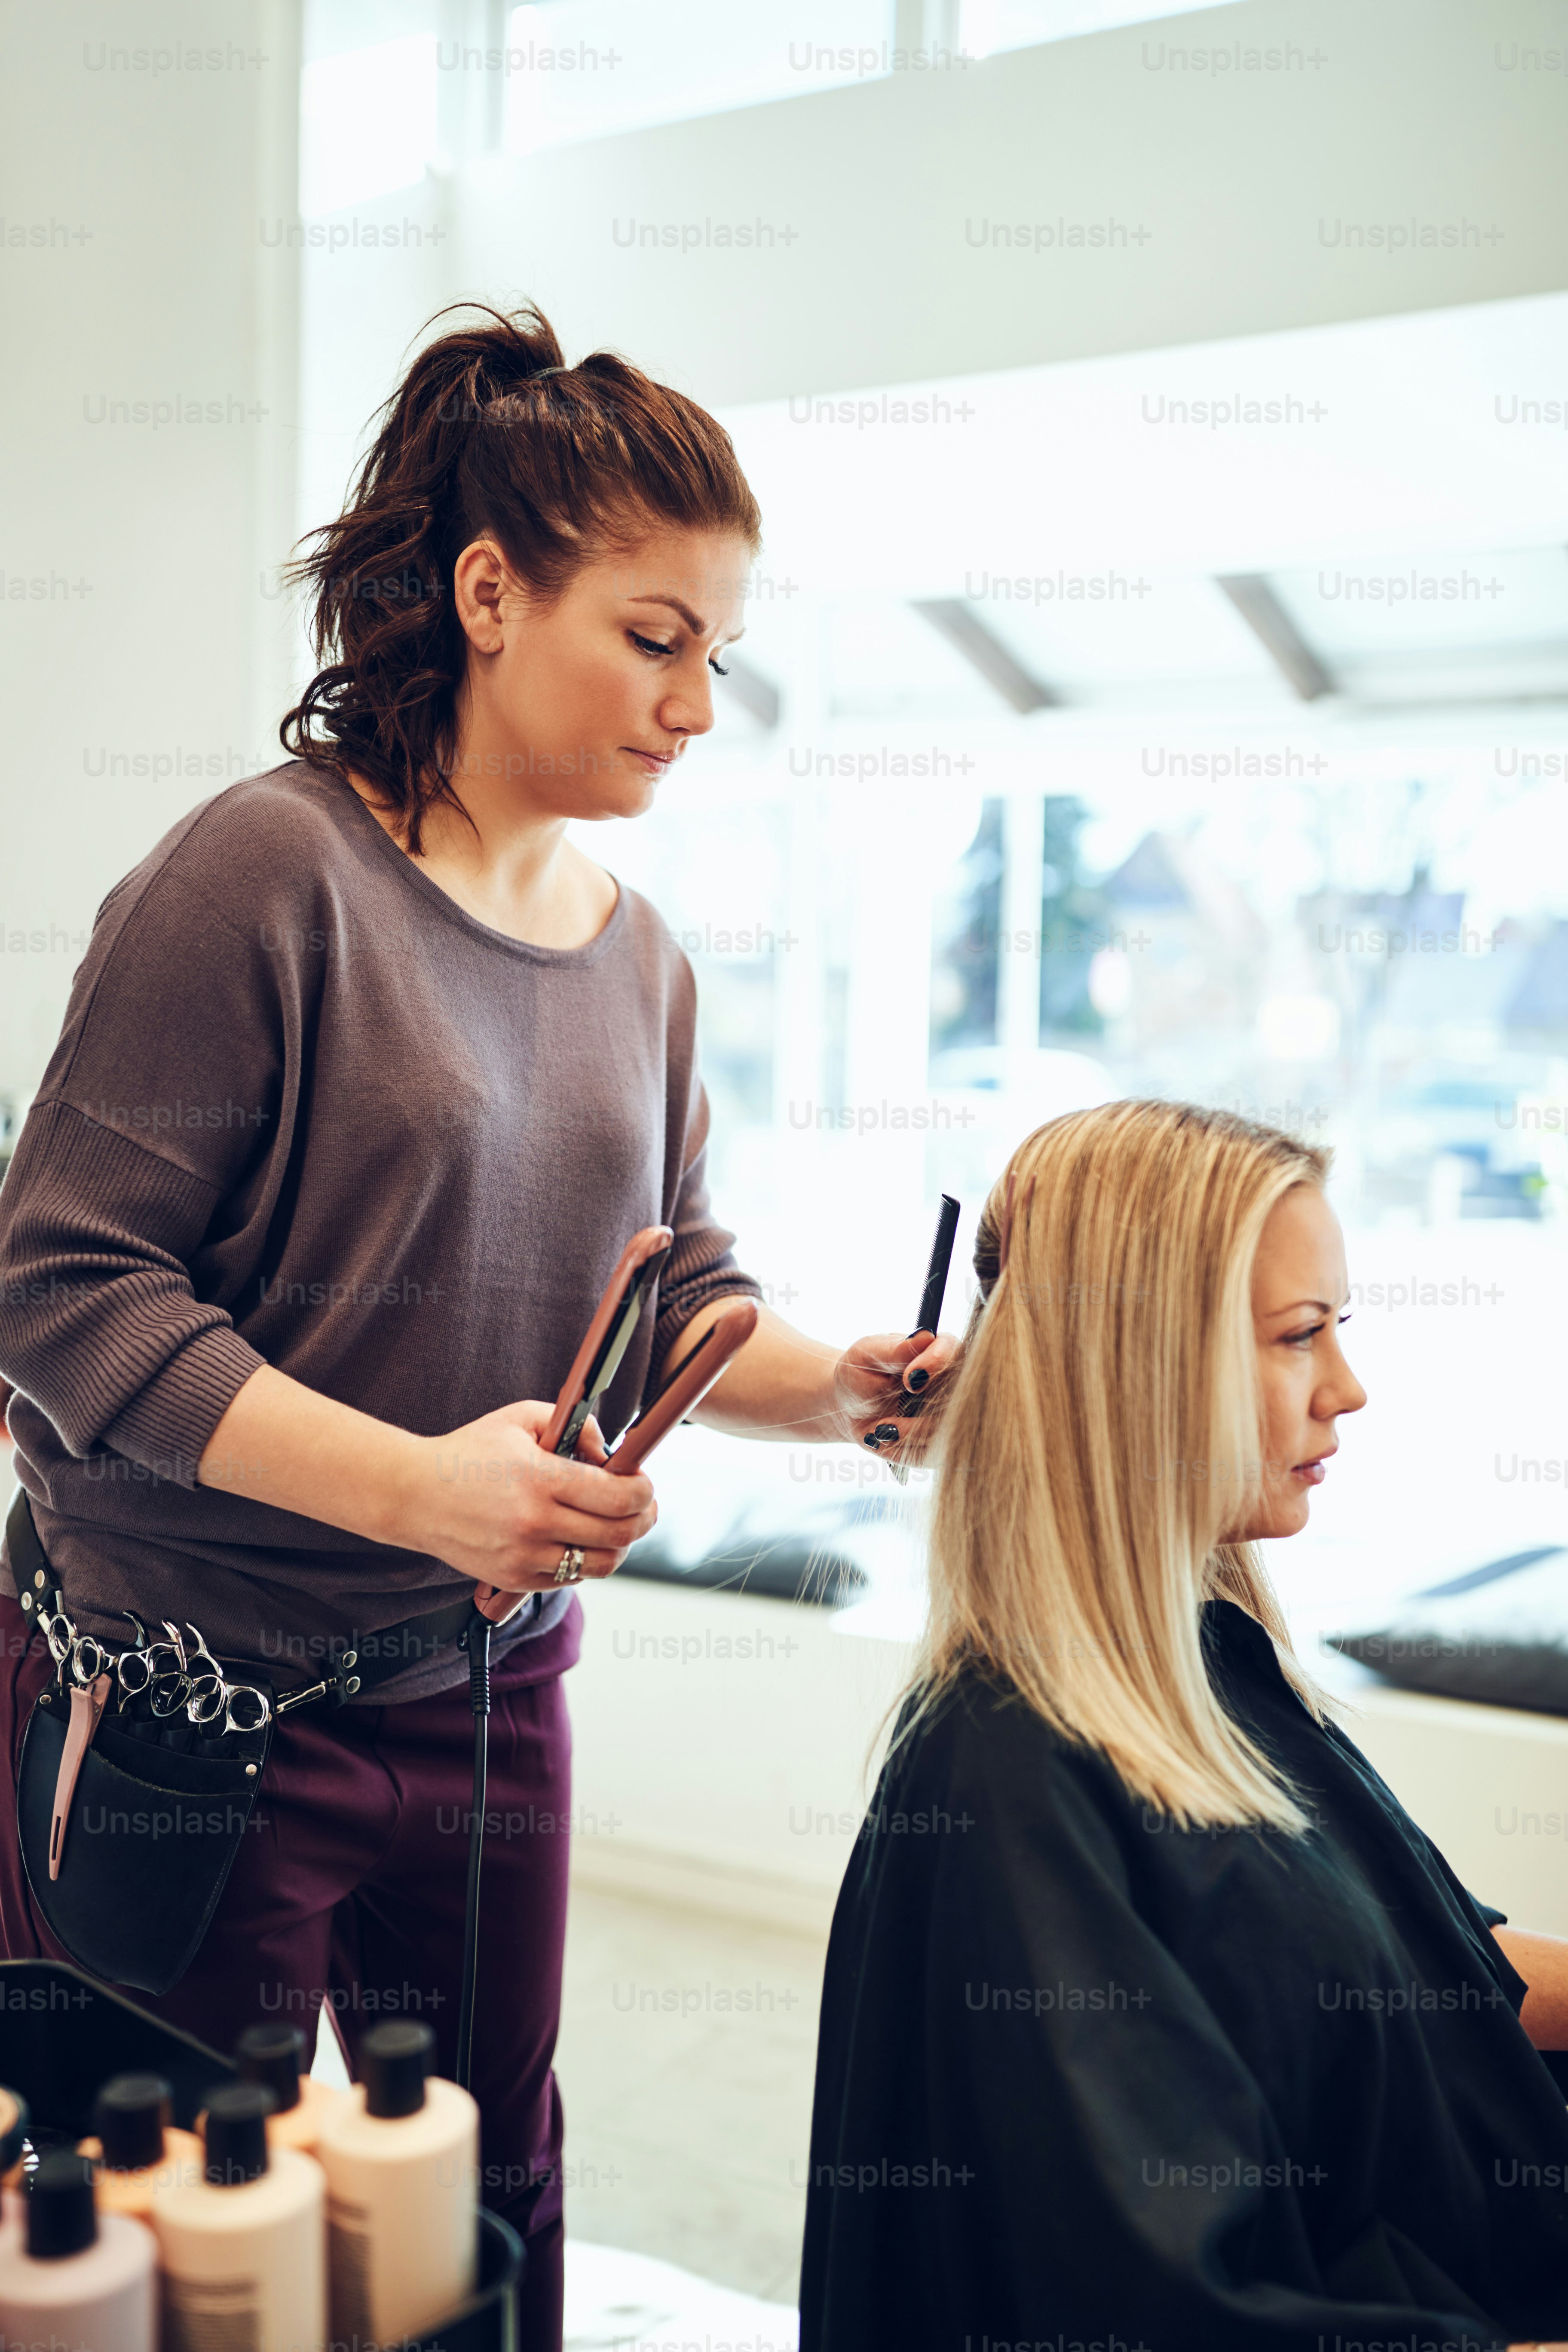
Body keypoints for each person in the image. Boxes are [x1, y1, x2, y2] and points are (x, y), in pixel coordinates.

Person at [0, 303, 953, 2351]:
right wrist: (422, 1491)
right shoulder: (258, 879)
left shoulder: (643, 959)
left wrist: (855, 1389)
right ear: (491, 593)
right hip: (193, 1704)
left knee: (489, 2188)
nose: (696, 706)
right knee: (196, 2226)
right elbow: (61, 1294)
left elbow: (675, 1293)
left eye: (722, 654)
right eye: (656, 637)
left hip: (494, 1697)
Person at [800, 1098, 1568, 2352]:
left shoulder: (1211, 1667)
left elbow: (1427, 1968)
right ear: (1140, 1366)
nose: (1350, 1390)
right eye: (1299, 1336)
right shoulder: (1011, 1780)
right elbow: (1169, 2311)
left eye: (1340, 1331)